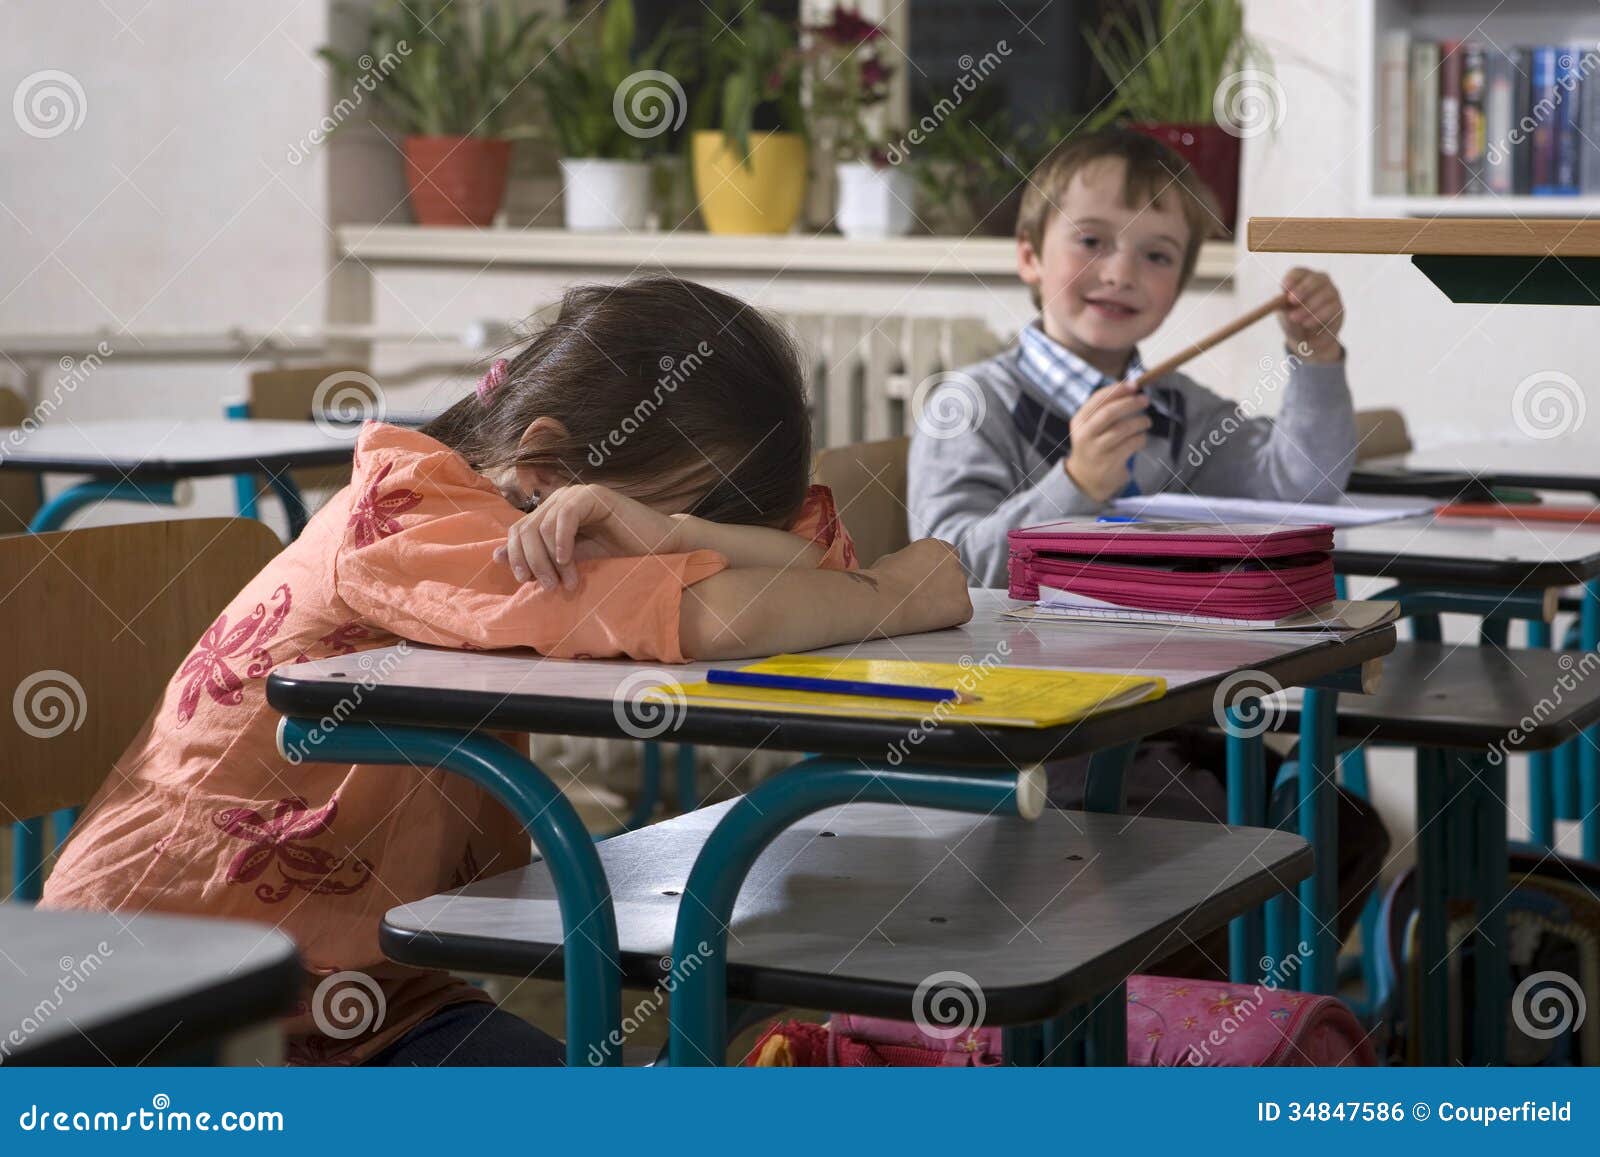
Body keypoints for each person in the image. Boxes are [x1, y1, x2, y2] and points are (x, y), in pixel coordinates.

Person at [41, 276, 971, 1064]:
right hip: (164, 997)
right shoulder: (416, 518)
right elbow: (734, 611)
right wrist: (896, 590)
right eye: (656, 538)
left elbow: (817, 569)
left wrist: (671, 529)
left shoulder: (524, 503)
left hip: (377, 998)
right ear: (542, 469)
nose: (668, 562)